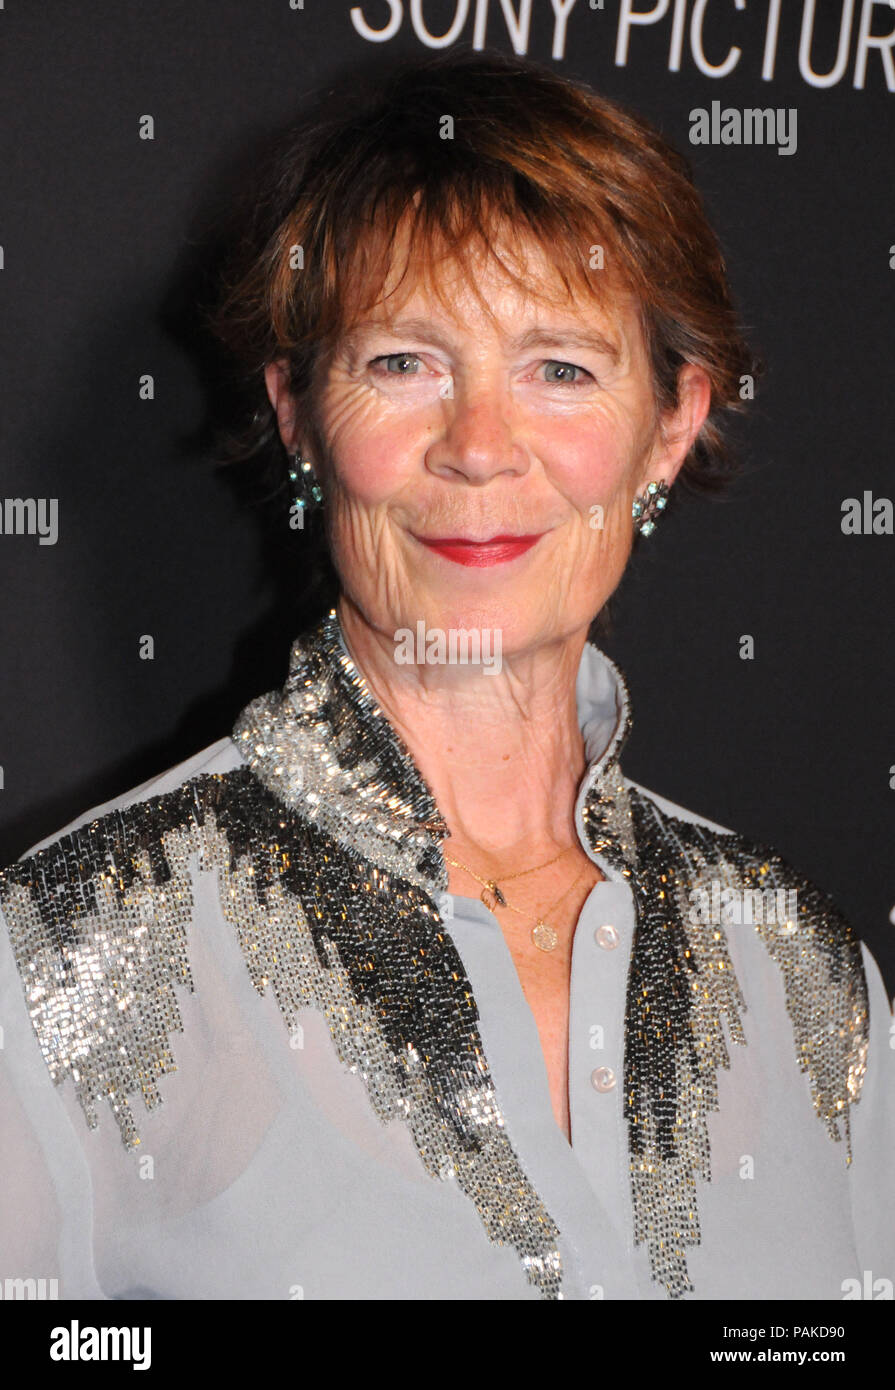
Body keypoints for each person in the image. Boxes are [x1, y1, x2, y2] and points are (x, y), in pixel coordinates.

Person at [0, 49, 891, 1303]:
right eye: (403, 363)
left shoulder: (803, 967)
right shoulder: (67, 954)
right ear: (301, 413)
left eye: (561, 368)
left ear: (673, 422)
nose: (478, 448)